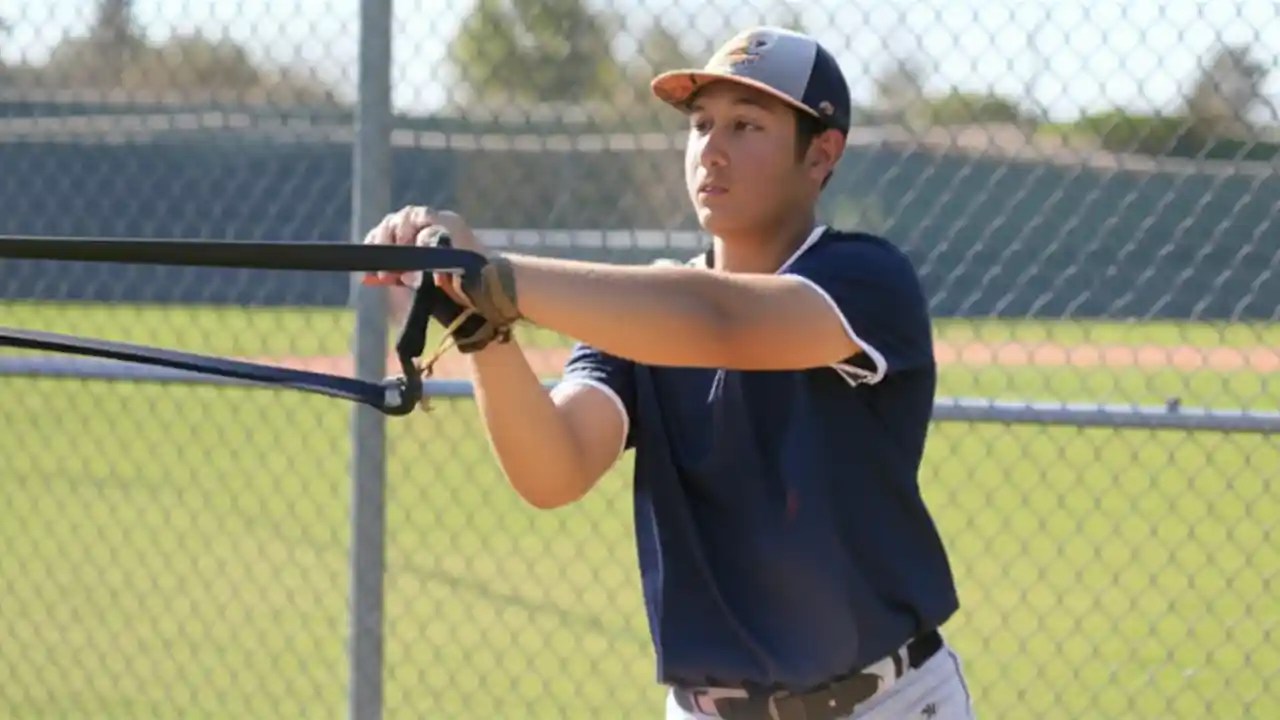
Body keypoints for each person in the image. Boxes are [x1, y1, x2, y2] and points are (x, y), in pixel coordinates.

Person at [364, 25, 976, 720]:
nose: (711, 148)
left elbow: (719, 320)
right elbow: (553, 468)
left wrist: (494, 276)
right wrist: (480, 328)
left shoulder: (863, 278)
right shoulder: (644, 316)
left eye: (746, 126)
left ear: (821, 155)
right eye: (701, 124)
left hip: (884, 705)